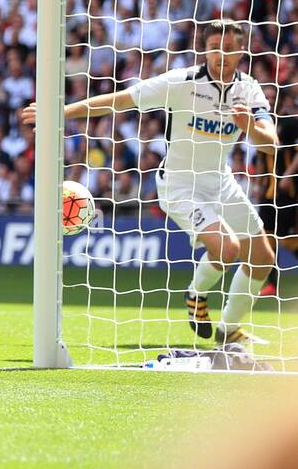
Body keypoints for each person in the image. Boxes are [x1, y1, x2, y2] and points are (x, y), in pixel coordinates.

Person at [22, 19, 276, 345]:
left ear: (242, 51)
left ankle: (228, 329)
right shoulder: (181, 82)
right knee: (227, 248)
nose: (221, 55)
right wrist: (61, 111)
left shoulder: (249, 89)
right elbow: (122, 99)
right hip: (180, 185)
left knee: (264, 258)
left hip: (222, 182)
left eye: (229, 48)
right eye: (215, 47)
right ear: (205, 49)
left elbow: (270, 141)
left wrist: (249, 127)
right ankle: (196, 295)